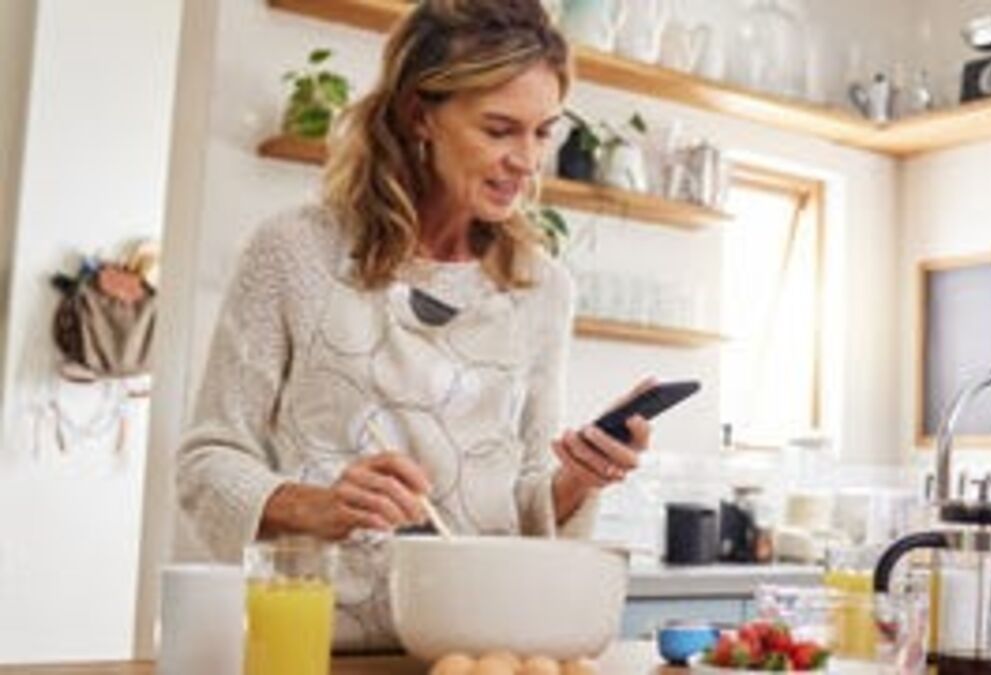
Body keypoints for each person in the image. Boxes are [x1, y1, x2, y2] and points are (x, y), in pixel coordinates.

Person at [177, 0, 653, 650]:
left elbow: (523, 502)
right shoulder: (295, 252)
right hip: (321, 648)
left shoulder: (543, 289)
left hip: (481, 647)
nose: (527, 160)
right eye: (499, 129)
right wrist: (312, 505)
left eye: (544, 132)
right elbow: (207, 462)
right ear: (418, 114)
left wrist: (580, 476)